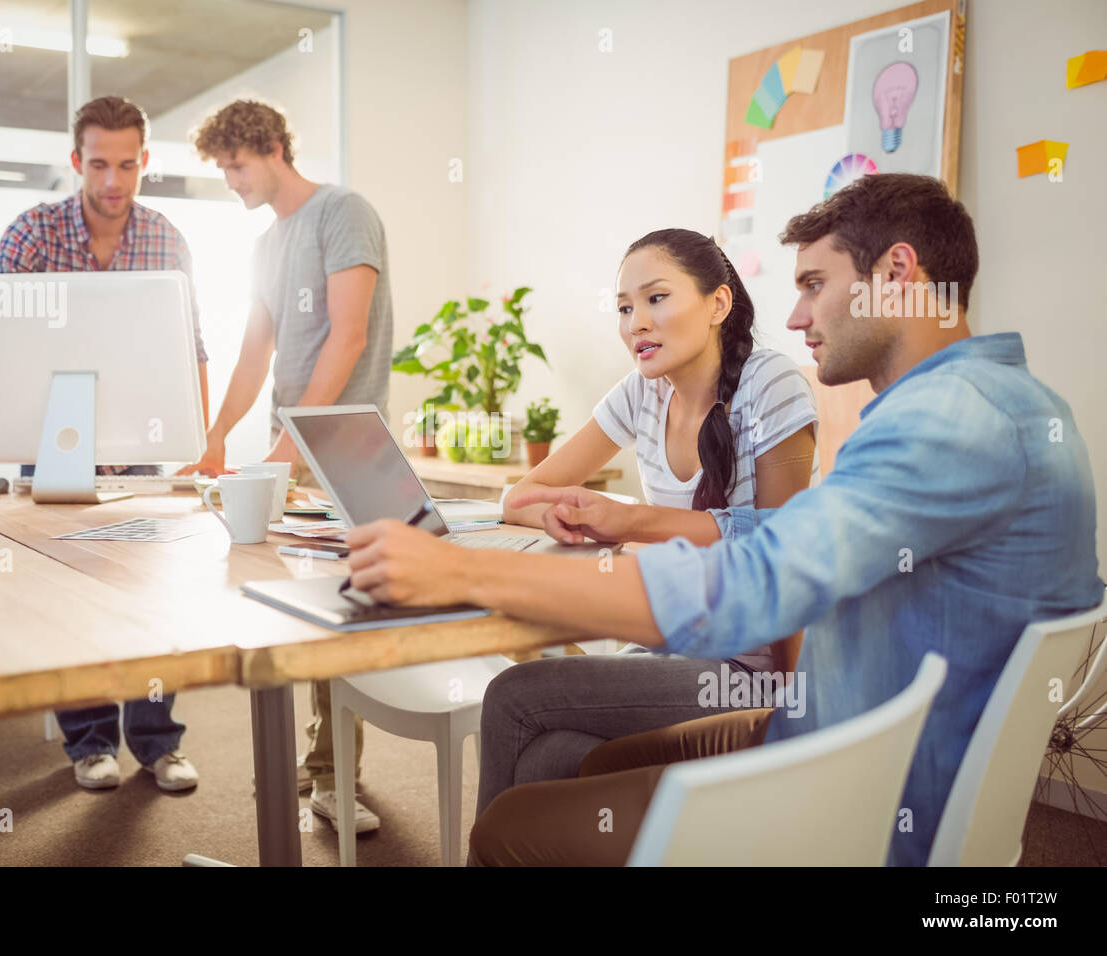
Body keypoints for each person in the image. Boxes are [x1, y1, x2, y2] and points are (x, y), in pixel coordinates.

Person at [340, 173, 1102, 865]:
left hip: (859, 793)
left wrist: (465, 567)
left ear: (896, 274)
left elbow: (748, 587)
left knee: (511, 828)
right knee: (549, 760)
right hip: (836, 728)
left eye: (814, 283)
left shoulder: (948, 423)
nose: (798, 314)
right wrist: (632, 524)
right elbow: (783, 536)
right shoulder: (984, 403)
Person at [487, 227, 817, 784]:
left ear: (718, 303)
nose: (634, 322)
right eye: (623, 307)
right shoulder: (643, 391)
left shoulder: (770, 383)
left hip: (747, 673)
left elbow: (787, 545)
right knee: (547, 757)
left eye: (656, 298)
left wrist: (789, 719)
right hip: (667, 646)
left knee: (515, 694)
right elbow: (518, 496)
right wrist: (554, 512)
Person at [181, 99, 393, 834]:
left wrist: (288, 444)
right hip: (293, 450)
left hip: (348, 448)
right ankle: (309, 766)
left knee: (340, 615)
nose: (231, 181)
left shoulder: (344, 212)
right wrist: (215, 438)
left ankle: (335, 779)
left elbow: (349, 335)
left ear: (273, 148)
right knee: (290, 612)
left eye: (236, 166)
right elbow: (253, 354)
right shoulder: (268, 245)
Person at [0, 95, 206, 793]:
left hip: (139, 445)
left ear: (144, 161)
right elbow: (2, 352)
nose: (112, 181)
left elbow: (190, 346)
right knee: (70, 599)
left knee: (150, 599)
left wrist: (201, 441)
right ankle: (89, 744)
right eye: (97, 163)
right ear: (75, 160)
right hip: (55, 444)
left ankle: (157, 744)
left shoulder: (165, 237)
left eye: (126, 164)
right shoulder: (32, 235)